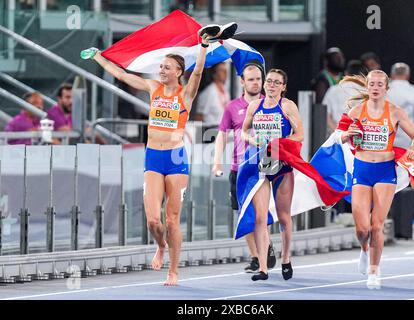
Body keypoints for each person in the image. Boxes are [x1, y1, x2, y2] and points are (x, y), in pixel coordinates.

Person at [81, 34, 211, 286]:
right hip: (153, 156)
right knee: (153, 220)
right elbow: (122, 76)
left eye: (166, 67)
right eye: (160, 66)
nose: (161, 70)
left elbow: (198, 74)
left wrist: (203, 47)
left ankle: (173, 270)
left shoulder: (186, 95)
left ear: (178, 72)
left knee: (171, 219)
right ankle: (160, 245)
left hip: (175, 158)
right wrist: (98, 56)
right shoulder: (154, 88)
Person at [340, 70, 414, 289]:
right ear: (367, 87)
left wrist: (412, 151)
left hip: (386, 171)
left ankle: (374, 271)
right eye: (371, 84)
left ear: (386, 88)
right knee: (362, 229)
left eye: (379, 84)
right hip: (362, 168)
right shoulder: (357, 110)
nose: (375, 88)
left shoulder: (395, 112)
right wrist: (348, 134)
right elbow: (340, 136)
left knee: (377, 225)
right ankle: (365, 250)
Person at [212, 61, 276, 273]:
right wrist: (216, 161)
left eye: (259, 79)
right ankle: (256, 256)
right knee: (243, 213)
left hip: (266, 167)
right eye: (251, 79)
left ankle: (265, 247)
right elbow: (222, 135)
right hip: (240, 168)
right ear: (242, 82)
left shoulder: (272, 104)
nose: (256, 83)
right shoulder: (232, 107)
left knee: (261, 212)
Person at [241, 69, 303, 281]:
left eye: (277, 83)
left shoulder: (287, 106)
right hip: (261, 165)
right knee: (260, 217)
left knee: (283, 217)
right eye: (269, 81)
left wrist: (282, 144)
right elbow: (243, 131)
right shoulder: (254, 106)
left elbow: (300, 133)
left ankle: (286, 258)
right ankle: (263, 268)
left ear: (283, 87)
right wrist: (252, 141)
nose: (272, 85)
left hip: (282, 166)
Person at [387, 62, 414, 149]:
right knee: (404, 162)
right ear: (408, 75)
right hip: (407, 136)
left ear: (392, 75)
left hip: (385, 135)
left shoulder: (385, 89)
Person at [323, 60, 365, 134]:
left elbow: (326, 115)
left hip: (338, 134)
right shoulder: (367, 91)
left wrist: (338, 132)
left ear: (346, 73)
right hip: (361, 135)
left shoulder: (333, 89)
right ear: (363, 75)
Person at [194, 62, 230, 143]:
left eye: (225, 70)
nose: (225, 73)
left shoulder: (225, 91)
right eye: (221, 70)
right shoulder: (208, 92)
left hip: (223, 133)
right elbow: (199, 117)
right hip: (209, 133)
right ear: (214, 74)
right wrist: (197, 142)